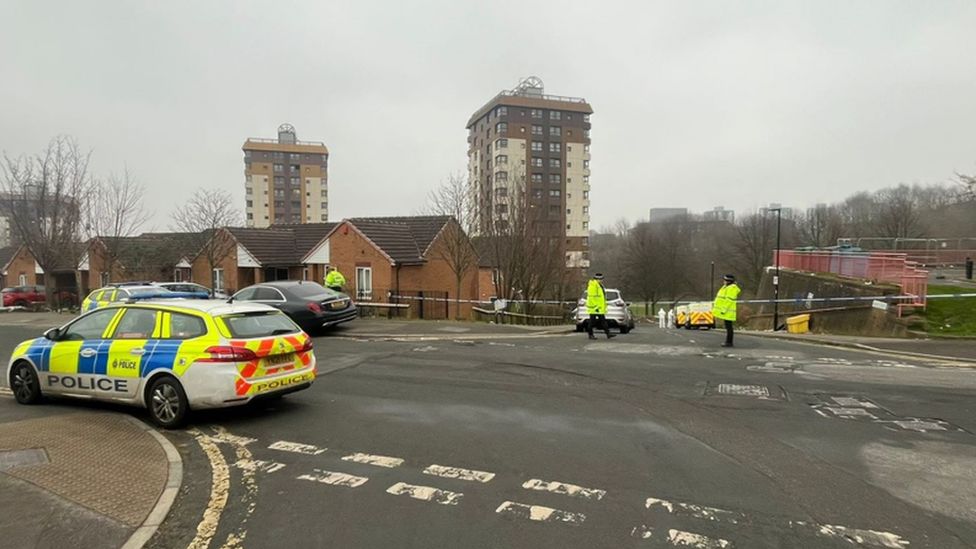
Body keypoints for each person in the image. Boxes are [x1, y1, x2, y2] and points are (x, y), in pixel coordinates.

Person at [713, 274, 741, 347]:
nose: (724, 281)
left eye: (725, 280)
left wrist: (723, 310)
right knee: (728, 327)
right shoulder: (727, 287)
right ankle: (728, 342)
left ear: (729, 281)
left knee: (729, 327)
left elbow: (729, 300)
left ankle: (729, 342)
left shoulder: (731, 288)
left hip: (728, 311)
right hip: (727, 311)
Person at [585, 273, 615, 340]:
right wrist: (596, 307)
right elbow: (592, 297)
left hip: (599, 307)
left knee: (603, 320)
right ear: (598, 279)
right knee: (592, 321)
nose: (602, 280)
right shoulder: (593, 285)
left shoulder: (599, 285)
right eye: (601, 279)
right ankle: (590, 334)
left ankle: (608, 333)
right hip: (595, 307)